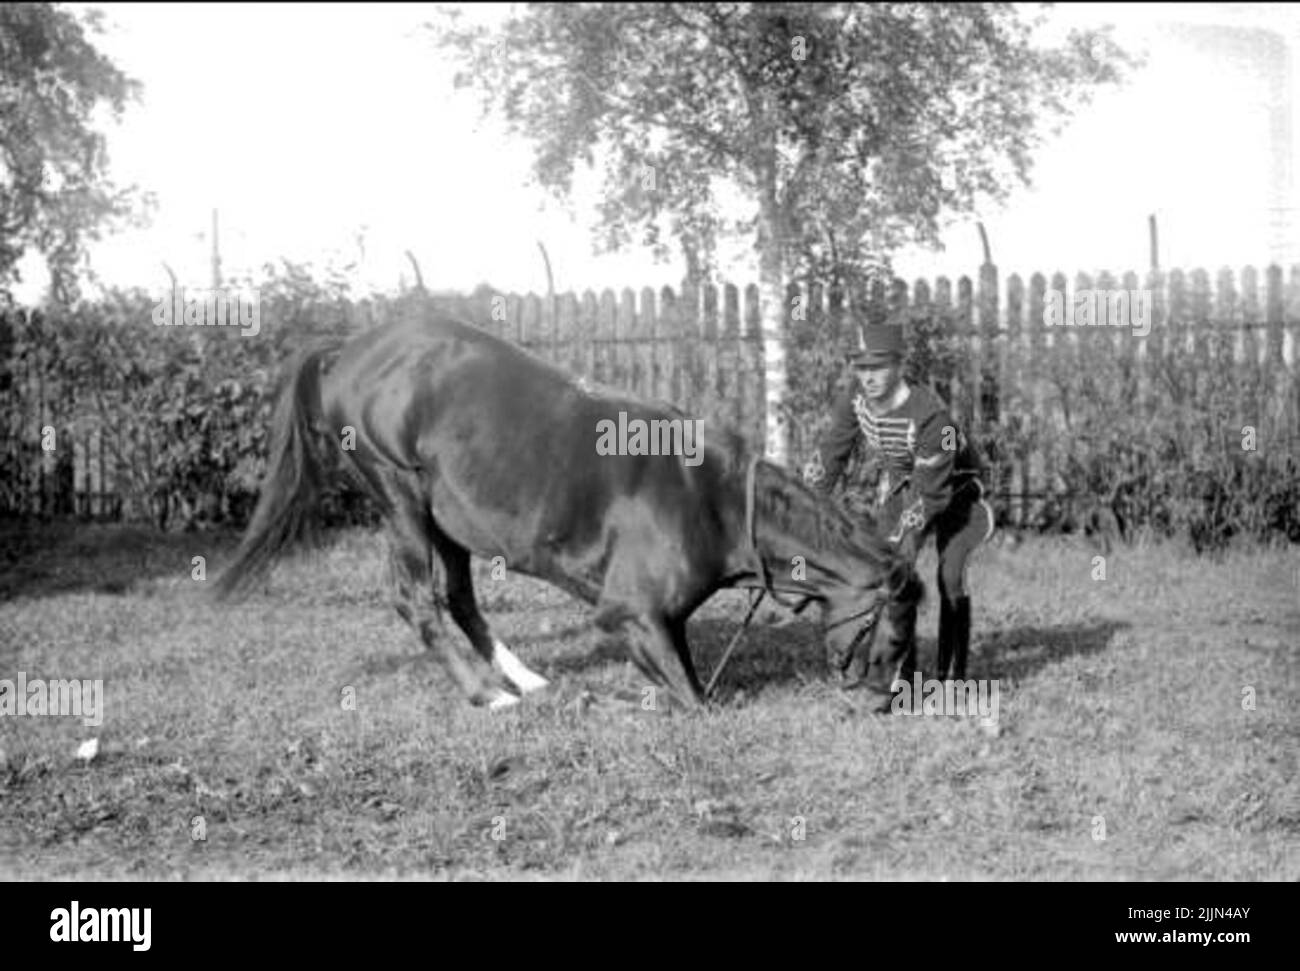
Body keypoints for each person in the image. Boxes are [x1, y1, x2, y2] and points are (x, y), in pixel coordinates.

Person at [802, 322, 993, 711]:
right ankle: (898, 682)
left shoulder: (930, 418)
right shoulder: (857, 396)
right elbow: (831, 452)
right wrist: (805, 506)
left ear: (900, 365)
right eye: (861, 367)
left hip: (955, 492)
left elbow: (930, 496)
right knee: (885, 576)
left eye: (878, 367)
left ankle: (951, 684)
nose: (868, 377)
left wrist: (898, 549)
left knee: (948, 576)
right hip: (905, 484)